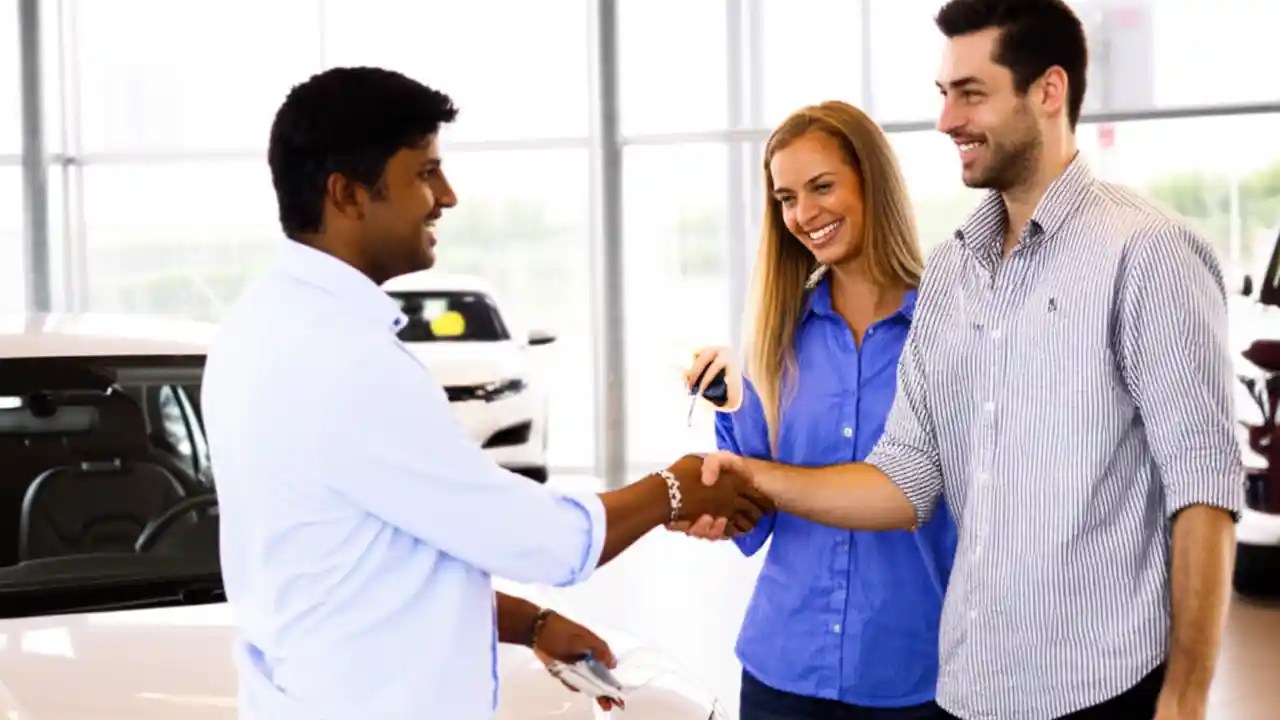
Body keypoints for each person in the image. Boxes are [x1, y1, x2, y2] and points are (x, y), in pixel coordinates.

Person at [698, 2, 1245, 719]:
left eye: (971, 93)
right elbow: (904, 480)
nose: (947, 120)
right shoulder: (955, 273)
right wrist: (750, 475)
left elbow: (1202, 481)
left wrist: (1185, 695)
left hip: (1103, 686)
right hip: (968, 690)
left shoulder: (1145, 250)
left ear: (1048, 92)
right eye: (943, 94)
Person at [201, 66, 770, 720]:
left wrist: (529, 624)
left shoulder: (258, 325)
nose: (447, 196)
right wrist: (672, 490)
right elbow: (534, 538)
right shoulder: (343, 361)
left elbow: (365, 560)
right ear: (348, 195)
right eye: (424, 173)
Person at [675, 101, 958, 720]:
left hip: (913, 675)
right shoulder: (771, 345)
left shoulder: (951, 330)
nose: (803, 214)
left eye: (822, 186)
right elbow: (753, 527)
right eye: (785, 197)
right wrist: (711, 499)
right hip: (782, 670)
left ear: (871, 181)